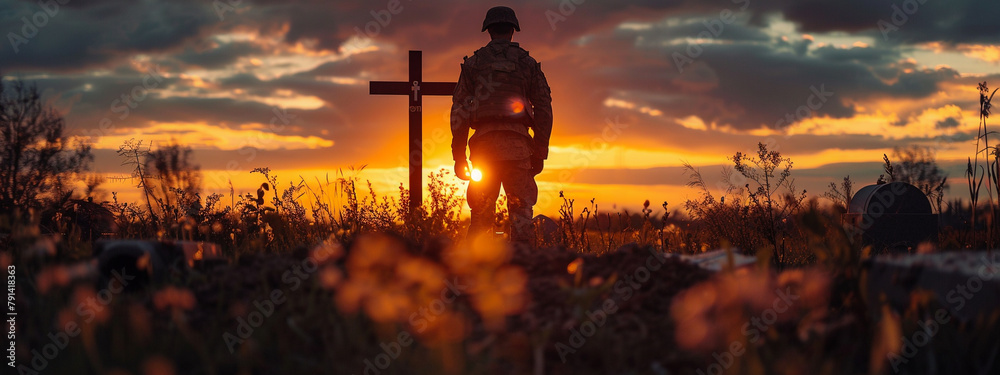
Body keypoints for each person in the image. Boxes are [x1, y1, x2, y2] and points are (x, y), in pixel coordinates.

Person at [450, 6, 553, 244]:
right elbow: (544, 109)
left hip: (484, 150)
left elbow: (459, 111)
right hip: (518, 150)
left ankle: (475, 273)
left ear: (488, 31)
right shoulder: (528, 64)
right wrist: (540, 150)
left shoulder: (474, 64)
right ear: (513, 31)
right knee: (521, 216)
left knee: (482, 217)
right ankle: (524, 270)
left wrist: (459, 156)